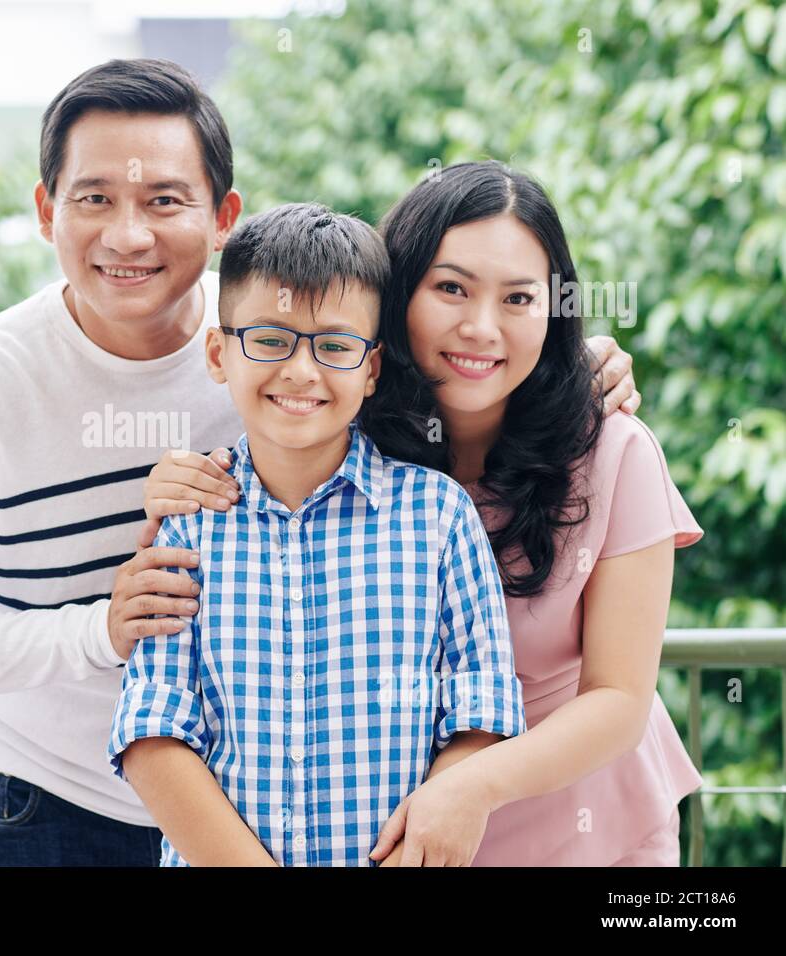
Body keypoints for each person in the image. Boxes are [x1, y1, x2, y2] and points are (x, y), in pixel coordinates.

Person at [0, 56, 639, 867]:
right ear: (47, 210)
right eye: (94, 198)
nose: (129, 235)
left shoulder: (278, 321)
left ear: (223, 215)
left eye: (165, 200)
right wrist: (100, 630)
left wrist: (572, 366)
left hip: (294, 822)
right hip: (38, 804)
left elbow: (421, 347)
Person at [140, 162, 700, 866]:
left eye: (519, 298)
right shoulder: (339, 422)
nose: (481, 328)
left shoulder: (612, 450)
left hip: (582, 820)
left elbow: (619, 698)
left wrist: (471, 788)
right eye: (451, 288)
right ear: (398, 295)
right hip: (399, 835)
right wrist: (170, 493)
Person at [108, 202, 526, 866]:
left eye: (334, 346)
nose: (302, 371)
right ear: (219, 353)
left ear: (372, 369)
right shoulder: (188, 521)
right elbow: (152, 734)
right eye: (271, 339)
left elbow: (482, 711)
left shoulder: (439, 517)